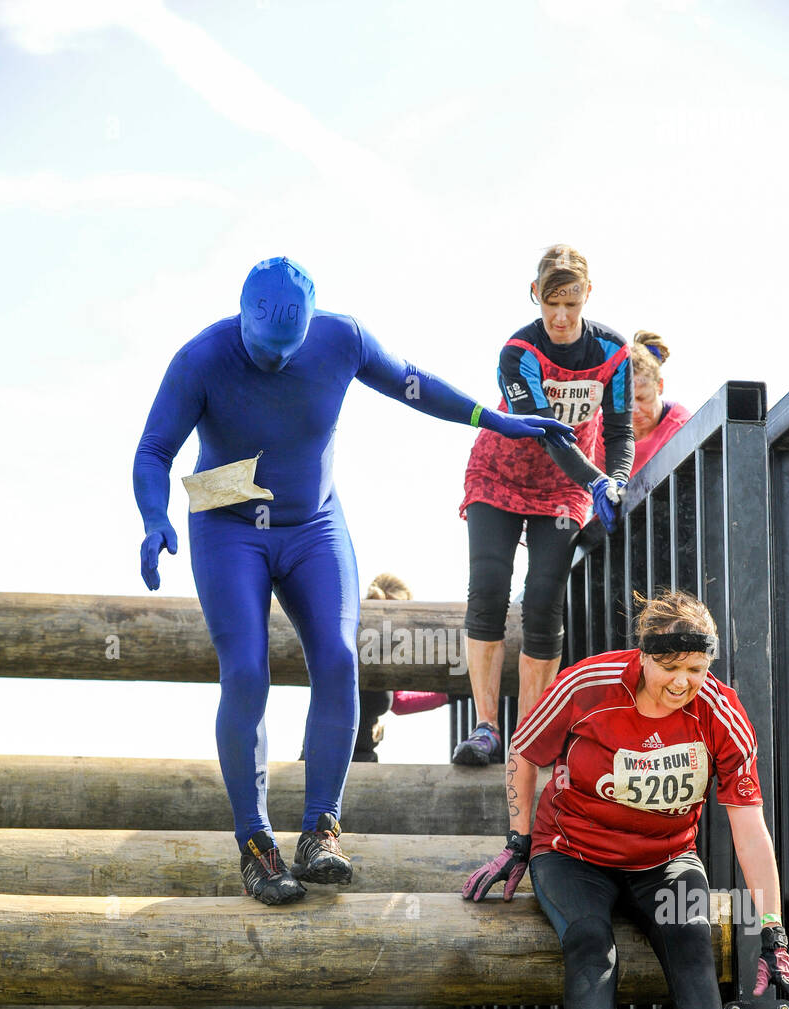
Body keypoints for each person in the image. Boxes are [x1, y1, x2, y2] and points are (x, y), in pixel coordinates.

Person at [133, 257, 576, 906]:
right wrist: (151, 519)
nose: (278, 362)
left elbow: (412, 385)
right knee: (247, 672)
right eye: (264, 350)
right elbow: (153, 450)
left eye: (289, 349)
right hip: (228, 526)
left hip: (313, 523)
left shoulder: (341, 339)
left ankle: (322, 832)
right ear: (241, 320)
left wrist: (496, 419)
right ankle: (256, 846)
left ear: (310, 325)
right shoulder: (201, 359)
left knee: (339, 660)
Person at [462, 589, 789, 1009]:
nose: (681, 682)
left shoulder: (719, 712)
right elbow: (526, 753)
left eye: (696, 668)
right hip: (574, 853)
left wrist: (774, 935)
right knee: (590, 938)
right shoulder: (587, 685)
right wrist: (517, 841)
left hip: (665, 859)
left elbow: (749, 827)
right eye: (669, 667)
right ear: (643, 656)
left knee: (692, 934)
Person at [454, 245, 634, 766]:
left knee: (543, 600)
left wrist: (615, 481)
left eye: (570, 305)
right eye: (550, 303)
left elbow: (620, 433)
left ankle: (529, 734)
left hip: (565, 488)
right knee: (488, 591)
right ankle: (486, 727)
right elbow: (546, 435)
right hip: (500, 476)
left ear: (586, 298)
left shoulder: (614, 354)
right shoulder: (519, 352)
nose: (559, 316)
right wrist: (598, 479)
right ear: (535, 295)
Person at [352, 573, 449, 762]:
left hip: (362, 758)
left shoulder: (383, 655)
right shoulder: (358, 643)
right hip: (336, 760)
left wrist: (448, 695)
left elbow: (399, 701)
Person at [595, 331, 691, 476]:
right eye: (626, 401)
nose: (635, 409)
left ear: (660, 386)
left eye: (642, 398)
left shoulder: (681, 427)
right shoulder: (601, 430)